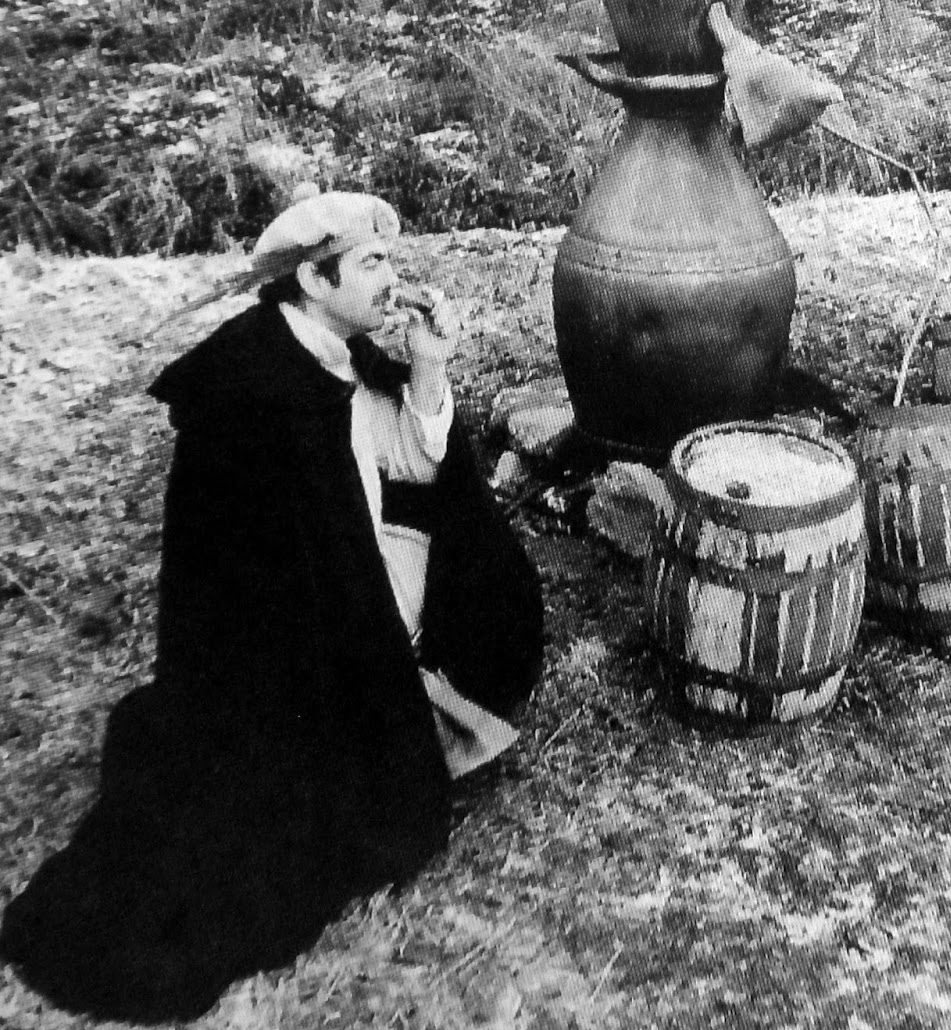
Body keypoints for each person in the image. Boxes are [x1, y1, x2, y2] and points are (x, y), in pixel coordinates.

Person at [0, 191, 543, 1023]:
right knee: (287, 819)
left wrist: (429, 367)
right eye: (372, 264)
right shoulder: (246, 389)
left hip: (354, 601)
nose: (393, 281)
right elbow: (243, 589)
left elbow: (414, 467)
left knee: (491, 587)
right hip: (279, 663)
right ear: (314, 281)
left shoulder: (343, 356)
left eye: (389, 261)